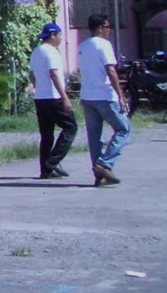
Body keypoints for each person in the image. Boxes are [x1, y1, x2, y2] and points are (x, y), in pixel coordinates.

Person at [76, 13, 129, 185]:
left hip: (87, 96)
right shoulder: (104, 45)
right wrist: (121, 96)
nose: (109, 30)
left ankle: (99, 175)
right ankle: (105, 164)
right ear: (99, 28)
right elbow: (111, 70)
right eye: (107, 27)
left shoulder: (82, 46)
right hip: (104, 95)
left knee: (94, 137)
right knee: (123, 129)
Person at [28, 22, 76, 178]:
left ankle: (45, 170)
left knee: (47, 134)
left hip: (40, 98)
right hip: (54, 97)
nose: (61, 38)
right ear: (53, 35)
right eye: (60, 35)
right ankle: (53, 160)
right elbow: (54, 74)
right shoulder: (51, 52)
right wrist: (65, 97)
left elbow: (32, 75)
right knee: (70, 128)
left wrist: (38, 86)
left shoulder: (36, 51)